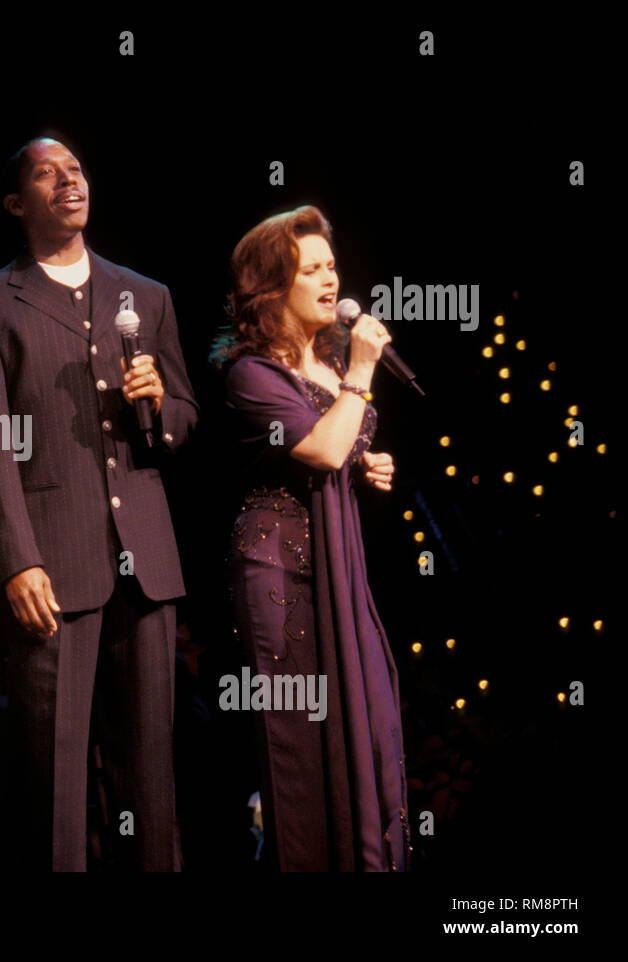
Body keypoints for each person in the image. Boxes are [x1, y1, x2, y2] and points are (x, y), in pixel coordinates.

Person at [0, 137, 198, 871]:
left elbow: (185, 415)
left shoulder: (144, 296)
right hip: (53, 567)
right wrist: (15, 562)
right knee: (53, 775)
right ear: (14, 202)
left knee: (149, 774)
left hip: (145, 560)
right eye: (45, 173)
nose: (68, 180)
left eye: (77, 168)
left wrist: (163, 408)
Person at [217, 204, 408, 871]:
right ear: (274, 287)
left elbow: (339, 453)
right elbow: (323, 450)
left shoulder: (328, 365)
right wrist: (360, 374)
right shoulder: (251, 373)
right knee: (298, 743)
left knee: (366, 725)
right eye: (313, 269)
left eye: (333, 266)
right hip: (280, 575)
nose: (332, 280)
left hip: (338, 567)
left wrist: (366, 465)